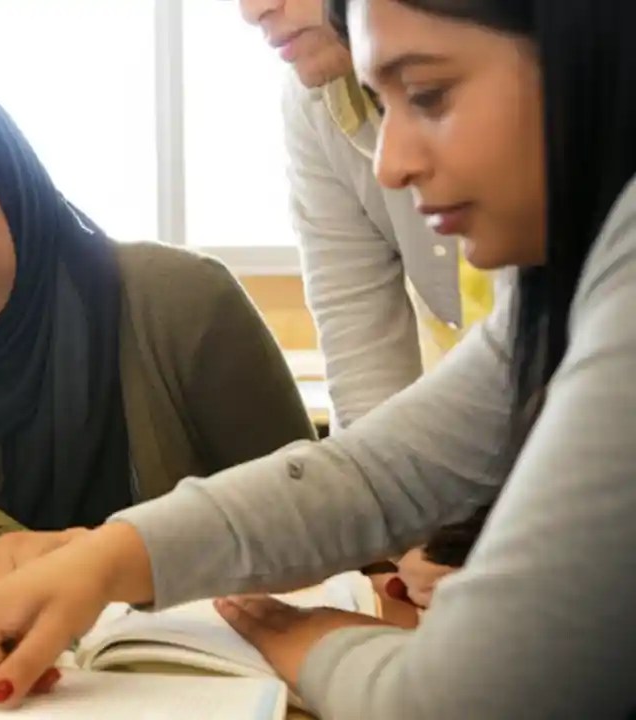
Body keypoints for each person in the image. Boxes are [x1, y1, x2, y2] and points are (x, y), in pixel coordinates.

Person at [0, 1, 636, 716]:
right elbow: (380, 470)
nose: (390, 166)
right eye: (379, 104)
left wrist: (308, 640)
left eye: (430, 95)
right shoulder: (566, 283)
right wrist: (111, 557)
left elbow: (465, 699)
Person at [0, 64, 315, 597]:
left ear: (10, 182)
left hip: (220, 639)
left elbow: (308, 503)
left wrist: (107, 567)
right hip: (35, 652)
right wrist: (6, 556)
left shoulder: (185, 299)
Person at [241, 0, 497, 608]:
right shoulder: (313, 101)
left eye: (431, 97)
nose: (253, 11)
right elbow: (365, 359)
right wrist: (403, 532)